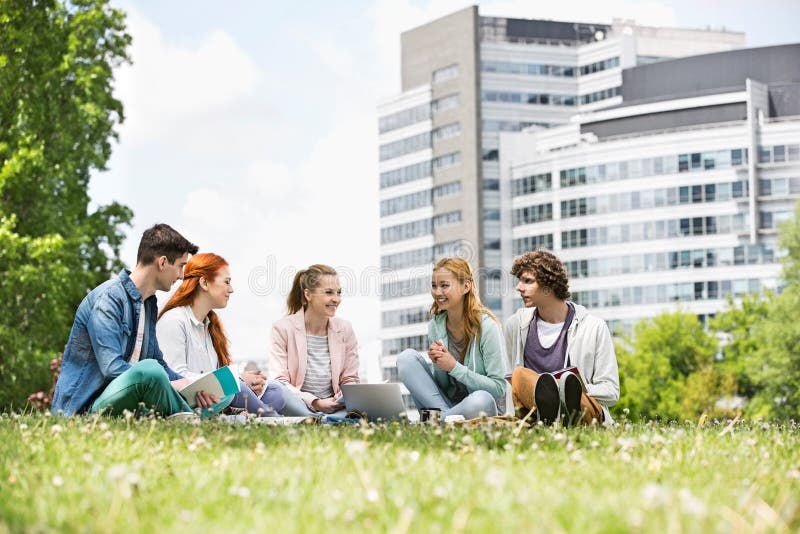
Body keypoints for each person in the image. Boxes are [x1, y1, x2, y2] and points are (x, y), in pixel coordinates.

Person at [51, 223, 215, 417]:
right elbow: (112, 368)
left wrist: (191, 386)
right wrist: (171, 385)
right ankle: (193, 420)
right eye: (181, 266)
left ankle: (197, 415)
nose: (181, 276)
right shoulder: (109, 299)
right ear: (162, 263)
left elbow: (159, 363)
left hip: (126, 404)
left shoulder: (148, 304)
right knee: (150, 371)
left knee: (160, 372)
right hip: (85, 409)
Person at [157, 253, 285, 417]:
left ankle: (252, 414)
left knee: (276, 392)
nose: (231, 289)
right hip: (186, 402)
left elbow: (213, 376)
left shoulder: (209, 326)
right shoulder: (174, 320)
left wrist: (236, 380)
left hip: (214, 398)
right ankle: (275, 419)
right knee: (238, 387)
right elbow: (176, 378)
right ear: (204, 282)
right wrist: (236, 380)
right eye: (226, 282)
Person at [505, 250, 620, 425]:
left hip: (582, 412)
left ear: (549, 286)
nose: (519, 287)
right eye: (520, 281)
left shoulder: (594, 327)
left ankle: (563, 414)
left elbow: (611, 391)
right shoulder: (516, 325)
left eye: (528, 281)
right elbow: (505, 381)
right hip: (532, 414)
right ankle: (551, 418)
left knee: (574, 395)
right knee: (520, 374)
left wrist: (567, 390)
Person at [396, 257, 508, 420]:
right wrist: (439, 364)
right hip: (449, 406)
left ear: (466, 286)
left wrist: (454, 367)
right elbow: (441, 388)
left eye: (444, 285)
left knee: (481, 399)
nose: (437, 292)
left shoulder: (487, 327)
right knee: (406, 358)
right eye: (434, 286)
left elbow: (498, 388)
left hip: (479, 408)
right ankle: (443, 420)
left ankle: (432, 422)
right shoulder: (435, 326)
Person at [269, 264, 359, 417]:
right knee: (275, 390)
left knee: (360, 408)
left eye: (339, 293)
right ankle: (320, 419)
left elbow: (350, 378)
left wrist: (343, 394)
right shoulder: (282, 328)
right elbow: (280, 381)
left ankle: (324, 420)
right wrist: (315, 402)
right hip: (299, 404)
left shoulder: (345, 329)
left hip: (334, 406)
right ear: (308, 295)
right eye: (329, 292)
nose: (336, 299)